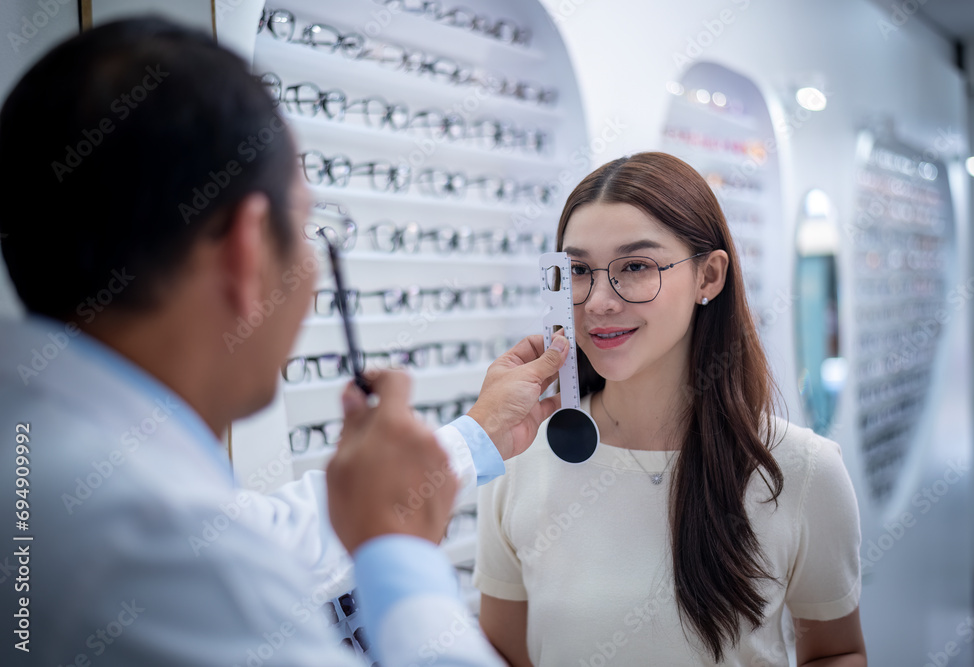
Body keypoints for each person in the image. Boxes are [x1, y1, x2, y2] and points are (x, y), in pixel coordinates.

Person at [0, 18, 569, 667]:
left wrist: (472, 439)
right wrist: (400, 552)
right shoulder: (147, 544)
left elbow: (259, 535)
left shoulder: (50, 458)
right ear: (247, 249)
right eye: (308, 229)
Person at [474, 153, 867, 666]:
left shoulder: (802, 469)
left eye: (635, 267)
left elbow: (836, 653)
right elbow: (502, 653)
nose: (597, 302)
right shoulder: (520, 455)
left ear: (709, 276)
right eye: (578, 271)